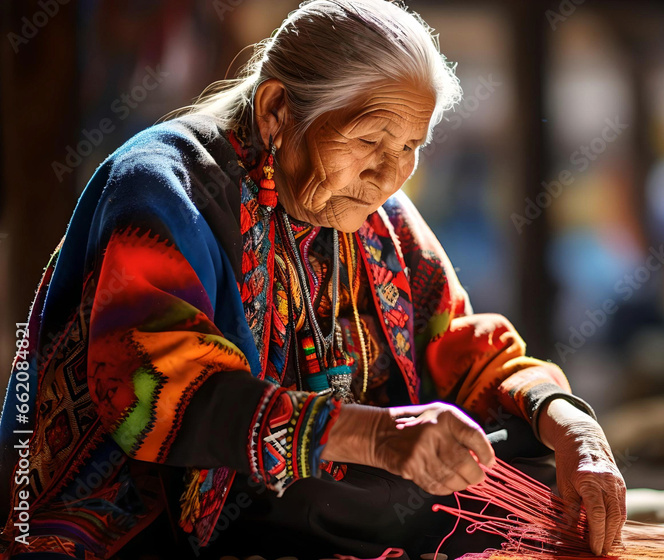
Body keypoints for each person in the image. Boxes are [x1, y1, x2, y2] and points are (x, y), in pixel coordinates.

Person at [0, 1, 625, 558]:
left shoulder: (378, 215)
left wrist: (569, 421)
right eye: (371, 139)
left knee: (530, 461)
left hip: (324, 485)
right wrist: (373, 437)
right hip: (165, 508)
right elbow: (155, 392)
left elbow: (458, 342)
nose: (390, 173)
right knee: (357, 502)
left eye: (412, 145)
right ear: (277, 110)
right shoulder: (164, 185)